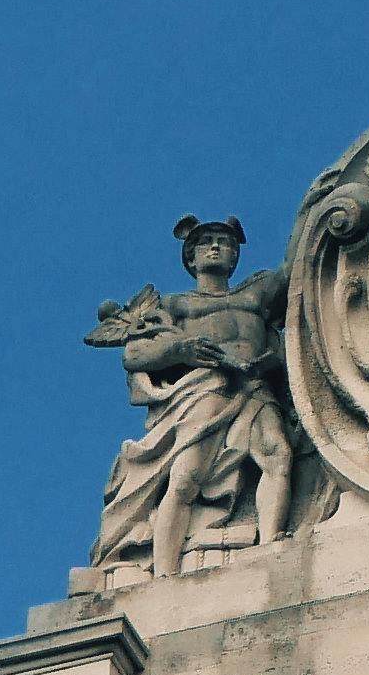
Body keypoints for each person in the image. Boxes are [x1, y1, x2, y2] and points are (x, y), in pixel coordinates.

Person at [85, 218, 298, 579]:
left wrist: (323, 201)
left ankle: (273, 541)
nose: (216, 247)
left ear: (235, 256)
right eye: (206, 242)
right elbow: (135, 355)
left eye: (225, 242)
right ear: (191, 258)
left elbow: (299, 262)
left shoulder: (257, 294)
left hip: (255, 389)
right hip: (206, 389)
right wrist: (182, 349)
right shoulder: (176, 305)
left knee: (278, 453)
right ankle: (165, 573)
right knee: (185, 479)